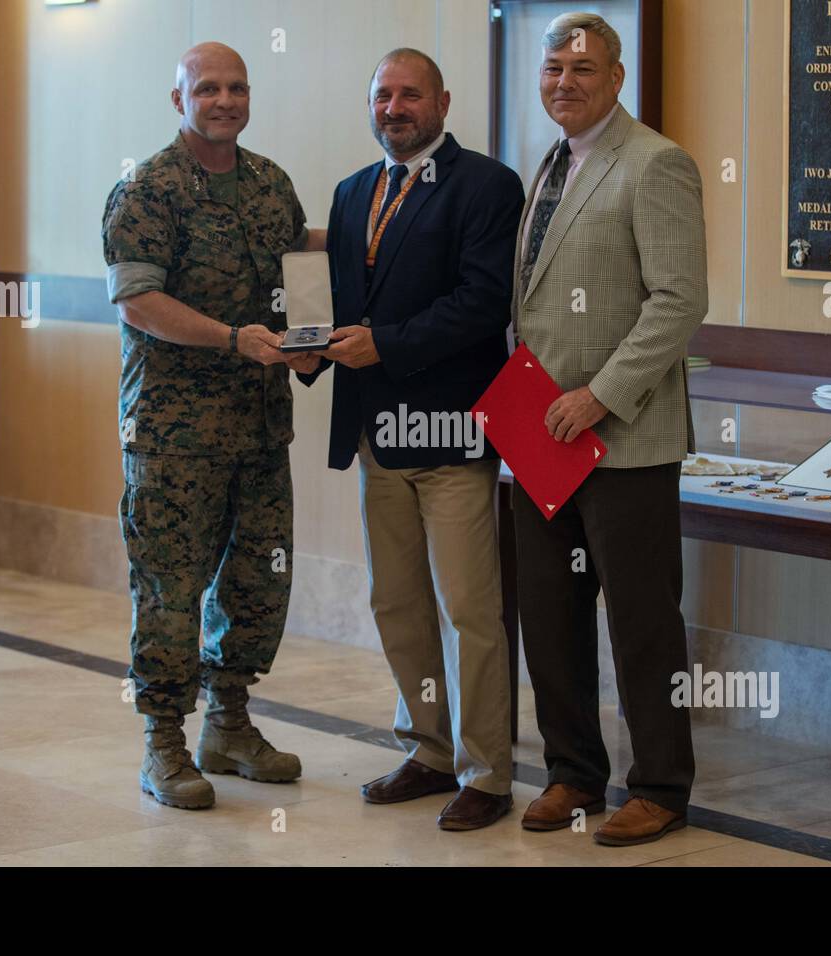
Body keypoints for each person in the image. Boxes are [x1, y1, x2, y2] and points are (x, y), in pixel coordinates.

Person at [298, 48, 524, 831]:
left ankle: (488, 772)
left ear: (443, 102)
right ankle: (428, 751)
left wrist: (385, 344)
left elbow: (482, 303)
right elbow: (336, 304)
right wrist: (307, 346)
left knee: (470, 608)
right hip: (374, 434)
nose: (395, 107)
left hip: (453, 432)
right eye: (383, 95)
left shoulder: (486, 185)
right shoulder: (354, 191)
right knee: (396, 602)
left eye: (410, 95)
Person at [101, 42, 323, 810]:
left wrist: (313, 345)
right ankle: (163, 742)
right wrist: (232, 338)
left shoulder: (270, 185)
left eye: (236, 87)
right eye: (206, 89)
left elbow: (301, 280)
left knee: (258, 582)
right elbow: (138, 301)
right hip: (174, 434)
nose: (223, 100)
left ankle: (228, 725)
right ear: (179, 100)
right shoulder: (148, 187)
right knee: (170, 588)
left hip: (261, 428)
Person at [511, 12, 709, 845]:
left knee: (641, 623)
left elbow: (679, 300)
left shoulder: (655, 162)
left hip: (621, 435)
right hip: (536, 431)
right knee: (550, 617)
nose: (565, 81)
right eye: (554, 66)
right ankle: (572, 774)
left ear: (616, 77)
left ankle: (659, 785)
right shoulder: (548, 163)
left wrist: (601, 394)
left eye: (583, 69)